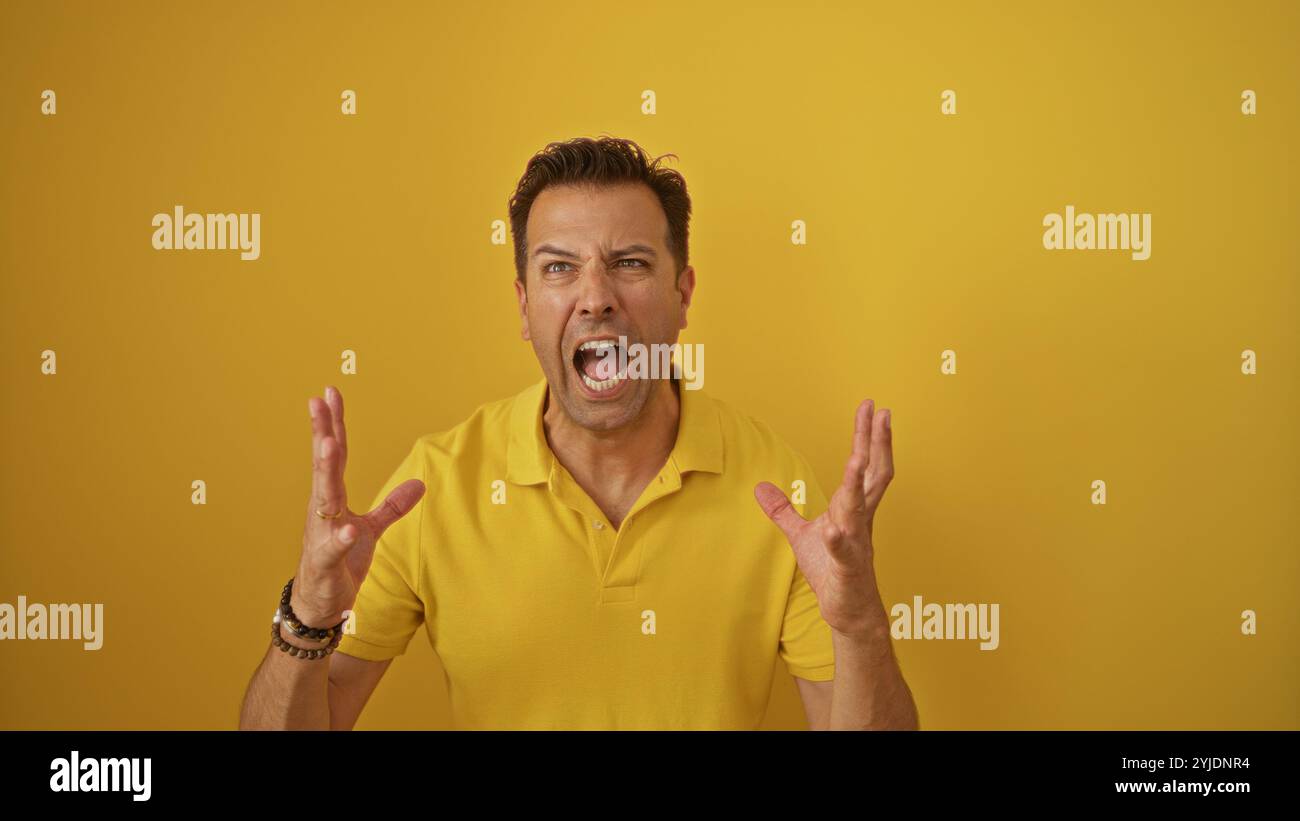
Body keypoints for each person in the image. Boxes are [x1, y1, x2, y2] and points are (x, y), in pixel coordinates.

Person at [239, 136, 918, 730]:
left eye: (629, 262)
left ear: (683, 295)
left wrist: (859, 627)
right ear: (524, 304)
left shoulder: (777, 492)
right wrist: (310, 613)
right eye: (560, 266)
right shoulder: (435, 483)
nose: (596, 296)